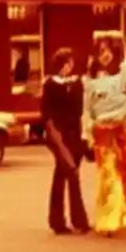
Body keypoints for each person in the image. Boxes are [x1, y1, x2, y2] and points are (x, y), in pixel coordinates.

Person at [83, 37, 126, 237]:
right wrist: (89, 130)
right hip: (102, 132)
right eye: (100, 52)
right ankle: (108, 219)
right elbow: (88, 109)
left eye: (108, 51)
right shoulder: (91, 80)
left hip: (123, 129)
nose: (105, 55)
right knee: (107, 175)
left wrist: (119, 115)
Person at [41, 48, 89, 235]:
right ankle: (78, 220)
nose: (70, 66)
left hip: (75, 134)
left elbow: (81, 108)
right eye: (67, 62)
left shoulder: (78, 83)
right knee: (71, 172)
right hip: (58, 135)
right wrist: (53, 132)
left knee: (62, 176)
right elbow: (46, 112)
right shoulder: (50, 84)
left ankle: (59, 221)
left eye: (71, 62)